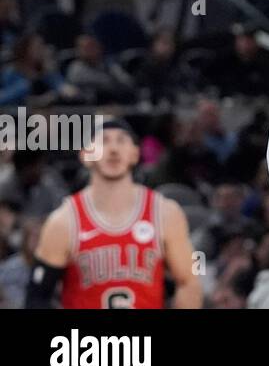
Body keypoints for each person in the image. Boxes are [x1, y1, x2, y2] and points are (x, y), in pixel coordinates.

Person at [26, 119, 201, 308]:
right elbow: (37, 296)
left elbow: (188, 282)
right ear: (85, 155)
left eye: (121, 140)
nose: (113, 149)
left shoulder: (166, 213)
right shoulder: (63, 221)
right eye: (104, 141)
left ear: (135, 154)